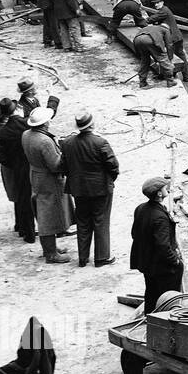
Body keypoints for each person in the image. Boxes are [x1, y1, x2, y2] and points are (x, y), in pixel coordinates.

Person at [60, 112, 119, 268]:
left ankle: (82, 258)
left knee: (83, 222)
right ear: (92, 125)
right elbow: (113, 166)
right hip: (100, 189)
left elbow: (63, 167)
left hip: (79, 189)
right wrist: (108, 180)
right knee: (101, 221)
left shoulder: (67, 142)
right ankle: (101, 258)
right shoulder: (100, 142)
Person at [22, 107, 68, 264]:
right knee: (48, 215)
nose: (49, 123)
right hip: (49, 180)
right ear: (43, 124)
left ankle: (50, 247)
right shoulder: (45, 141)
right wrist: (64, 154)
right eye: (48, 121)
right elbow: (55, 165)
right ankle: (51, 253)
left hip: (35, 174)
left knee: (44, 212)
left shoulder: (26, 135)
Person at [130, 176, 183, 312]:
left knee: (151, 294)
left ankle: (149, 317)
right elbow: (163, 246)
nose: (168, 189)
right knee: (169, 298)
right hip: (163, 267)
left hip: (147, 264)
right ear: (159, 194)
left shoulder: (140, 208)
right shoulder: (160, 217)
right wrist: (175, 261)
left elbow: (134, 234)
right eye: (165, 188)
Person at [0, 99, 36, 243]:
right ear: (15, 109)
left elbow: (1, 157)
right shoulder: (26, 123)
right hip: (32, 164)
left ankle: (27, 232)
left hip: (18, 169)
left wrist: (14, 165)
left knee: (23, 200)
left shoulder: (3, 132)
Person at [147, 0, 188, 81]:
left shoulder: (164, 10)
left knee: (169, 57)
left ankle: (168, 75)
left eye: (158, 3)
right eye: (155, 3)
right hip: (177, 37)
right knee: (181, 56)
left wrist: (145, 20)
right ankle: (187, 76)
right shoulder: (165, 10)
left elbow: (153, 18)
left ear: (162, 2)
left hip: (172, 38)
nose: (156, 5)